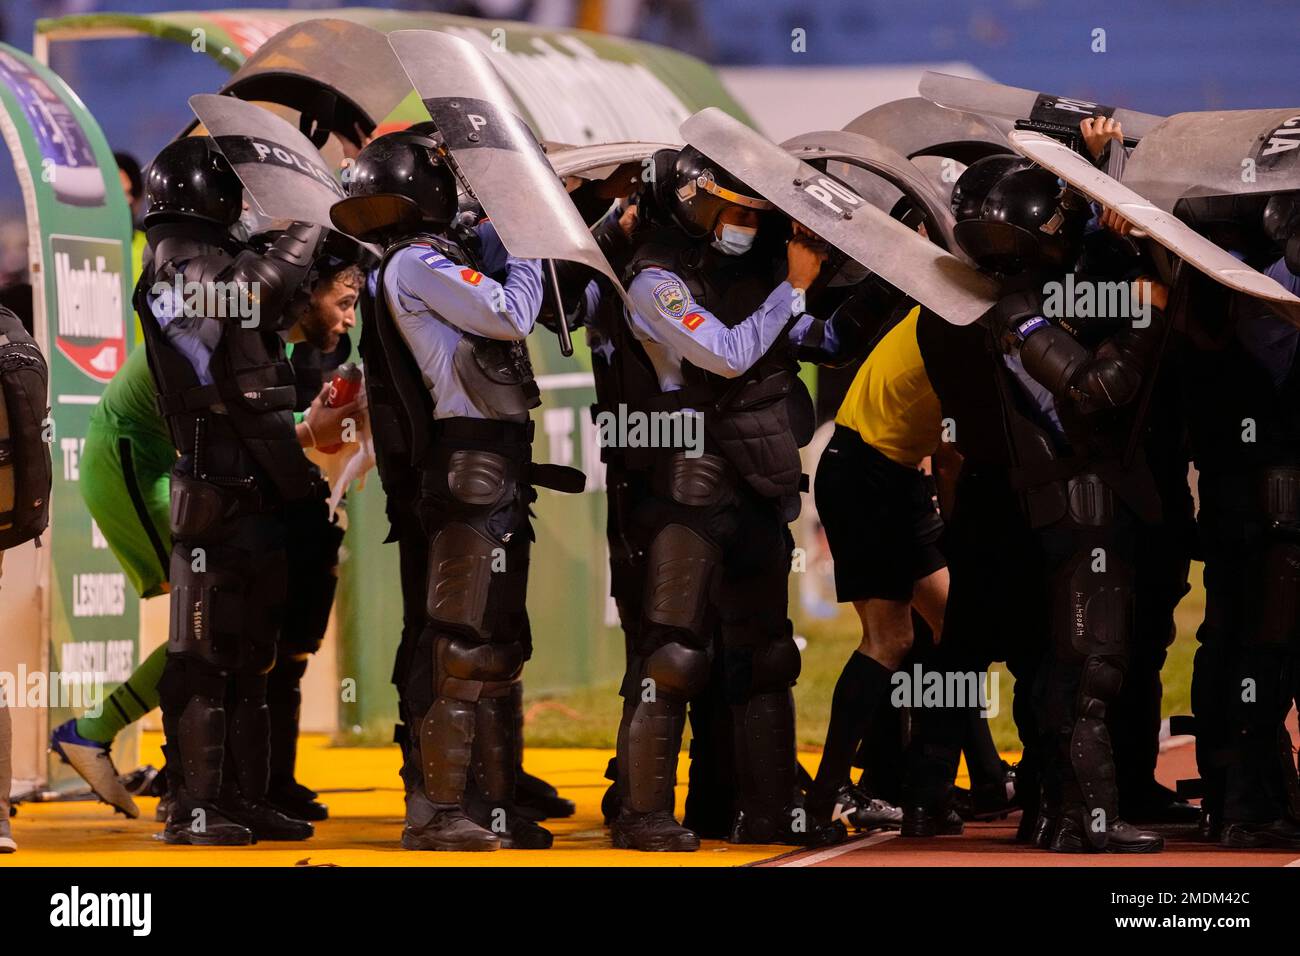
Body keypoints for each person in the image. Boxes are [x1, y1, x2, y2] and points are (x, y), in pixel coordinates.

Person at [50, 256, 363, 822]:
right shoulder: (242, 328)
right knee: (208, 622)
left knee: (223, 619)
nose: (348, 320)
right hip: (132, 464)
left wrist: (320, 431)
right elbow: (241, 434)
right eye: (343, 303)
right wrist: (308, 434)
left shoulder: (268, 334)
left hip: (163, 461)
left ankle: (195, 781)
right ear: (307, 291)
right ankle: (100, 739)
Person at [332, 122, 573, 851]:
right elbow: (508, 313)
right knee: (458, 642)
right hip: (468, 466)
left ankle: (485, 803)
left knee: (495, 641)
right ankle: (437, 810)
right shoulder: (414, 264)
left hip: (491, 463)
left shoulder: (423, 258)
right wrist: (527, 238)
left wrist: (510, 233)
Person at [601, 145, 848, 851]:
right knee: (673, 653)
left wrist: (868, 277)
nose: (748, 225)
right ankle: (644, 814)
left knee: (766, 655)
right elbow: (730, 352)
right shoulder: (654, 278)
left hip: (757, 480)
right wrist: (794, 287)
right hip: (687, 485)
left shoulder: (746, 273)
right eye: (738, 211)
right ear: (693, 202)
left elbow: (821, 340)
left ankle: (766, 811)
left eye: (755, 214)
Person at [937, 153, 1167, 852]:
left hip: (1082, 500)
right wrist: (1147, 316)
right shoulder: (1017, 312)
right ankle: (1086, 820)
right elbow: (1096, 390)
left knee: (1068, 666)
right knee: (1089, 667)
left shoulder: (1026, 289)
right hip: (1075, 504)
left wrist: (1125, 230)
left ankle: (1055, 812)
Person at [134, 135, 337, 846]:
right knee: (204, 654)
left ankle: (242, 798)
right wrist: (306, 218)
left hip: (253, 484)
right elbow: (250, 291)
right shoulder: (175, 260)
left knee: (252, 653)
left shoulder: (203, 255)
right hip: (214, 485)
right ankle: (195, 807)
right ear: (204, 194)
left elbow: (263, 313)